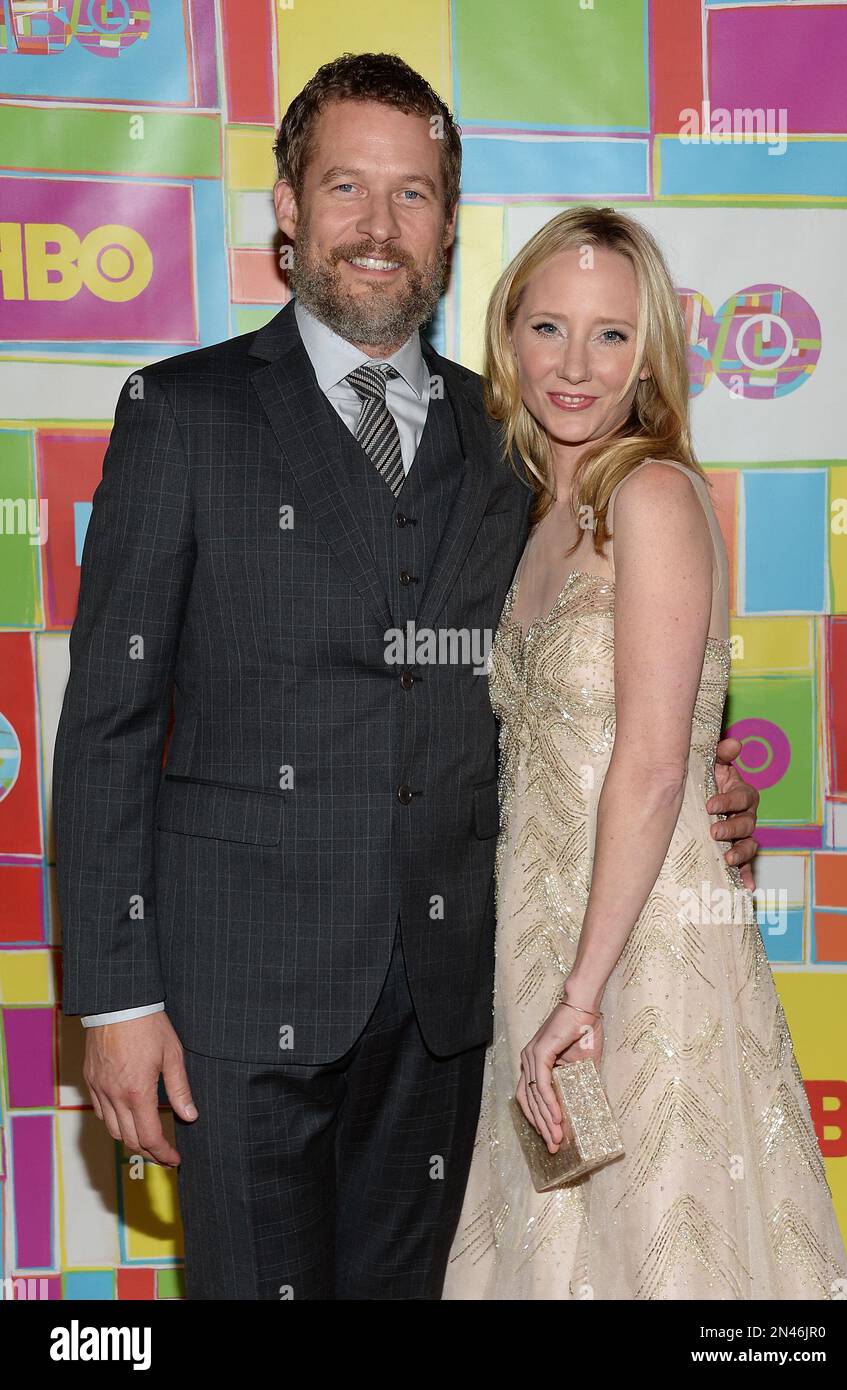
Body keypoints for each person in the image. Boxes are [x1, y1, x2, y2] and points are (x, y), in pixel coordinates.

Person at [53, 54, 759, 1301]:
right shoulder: (183, 411)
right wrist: (113, 998)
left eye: (415, 196)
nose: (380, 230)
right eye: (346, 190)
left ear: (449, 224)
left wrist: (696, 801)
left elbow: (592, 673)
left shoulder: (517, 444)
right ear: (285, 207)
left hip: (453, 1005)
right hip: (233, 994)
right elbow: (105, 718)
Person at [442, 206, 847, 1300]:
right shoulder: (536, 517)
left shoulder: (655, 496)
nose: (575, 365)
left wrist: (582, 992)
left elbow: (658, 764)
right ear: (508, 335)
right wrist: (551, 989)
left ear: (654, 355)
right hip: (540, 954)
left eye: (612, 335)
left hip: (638, 955)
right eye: (549, 327)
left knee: (667, 1247)